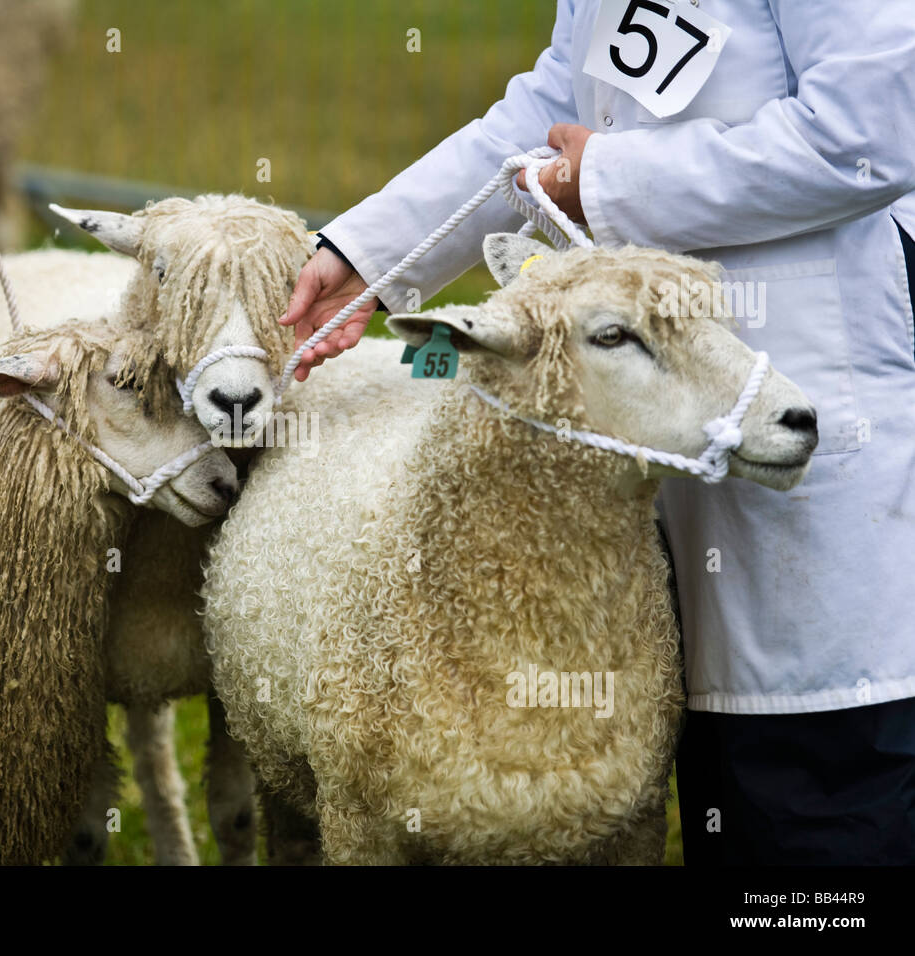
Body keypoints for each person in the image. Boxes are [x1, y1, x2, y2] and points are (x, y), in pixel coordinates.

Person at [283, 0, 915, 864]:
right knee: (694, 773)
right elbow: (553, 106)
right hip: (644, 416)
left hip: (805, 364)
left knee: (819, 780)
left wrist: (612, 181)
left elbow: (874, 128)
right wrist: (374, 251)